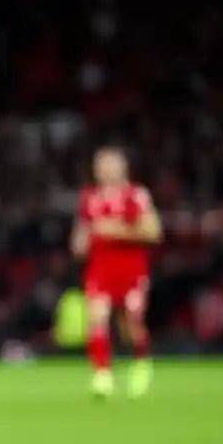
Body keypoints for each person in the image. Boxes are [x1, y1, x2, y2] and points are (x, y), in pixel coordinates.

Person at [70, 146, 163, 399]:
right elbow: (82, 233)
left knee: (130, 324)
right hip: (100, 269)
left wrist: (115, 230)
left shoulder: (136, 195)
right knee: (97, 318)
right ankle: (102, 375)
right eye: (101, 165)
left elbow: (153, 232)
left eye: (111, 164)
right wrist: (80, 243)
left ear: (123, 167)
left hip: (131, 269)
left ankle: (142, 363)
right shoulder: (90, 197)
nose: (105, 170)